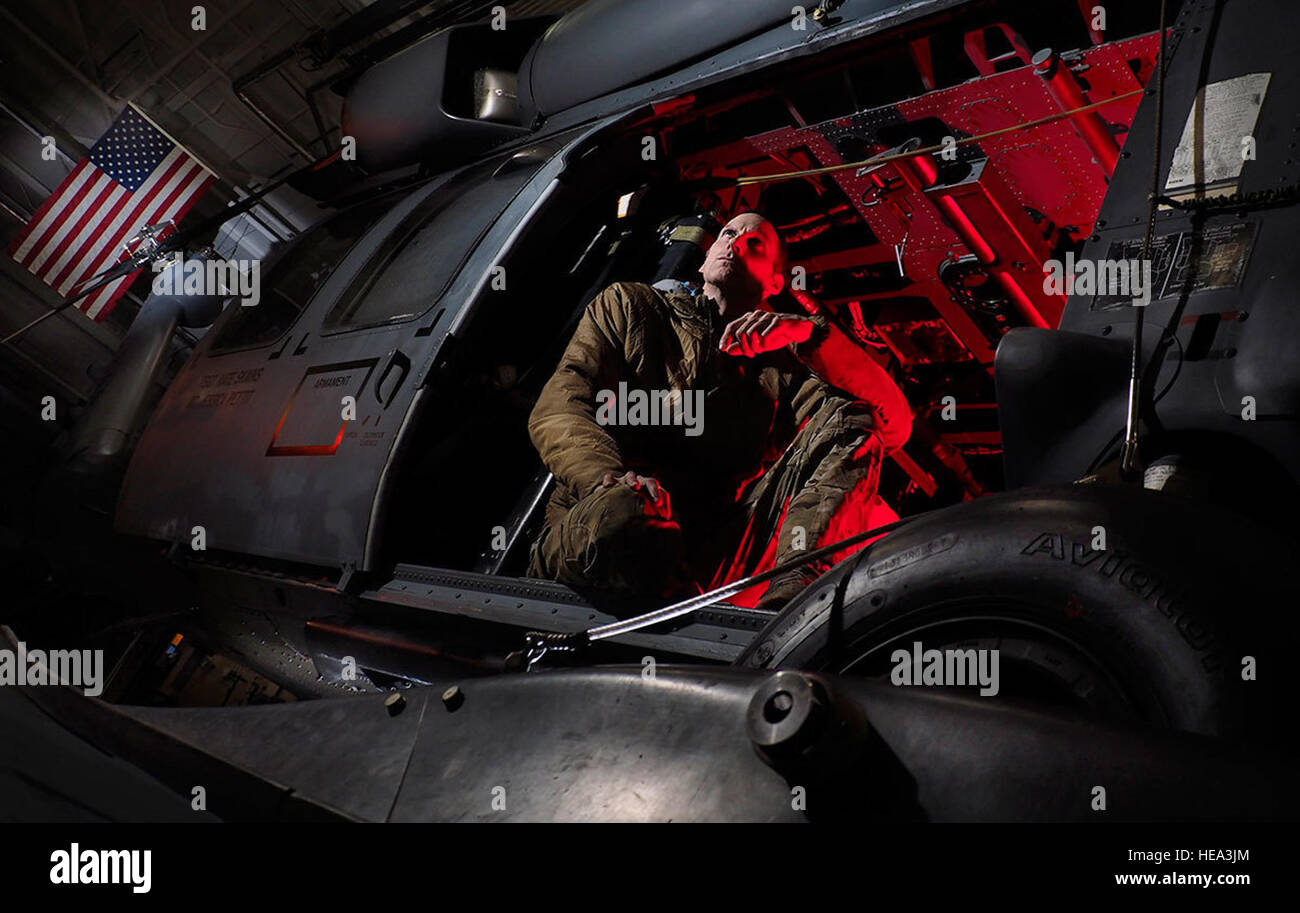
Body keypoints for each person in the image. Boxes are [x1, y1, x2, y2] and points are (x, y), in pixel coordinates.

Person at [526, 211, 912, 611]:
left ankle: (793, 601)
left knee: (852, 416)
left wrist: (809, 334)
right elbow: (560, 406)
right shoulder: (631, 305)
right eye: (729, 234)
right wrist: (603, 478)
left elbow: (892, 424)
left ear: (776, 283)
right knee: (627, 512)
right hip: (600, 521)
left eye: (755, 245)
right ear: (704, 258)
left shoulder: (784, 369)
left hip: (710, 561)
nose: (736, 243)